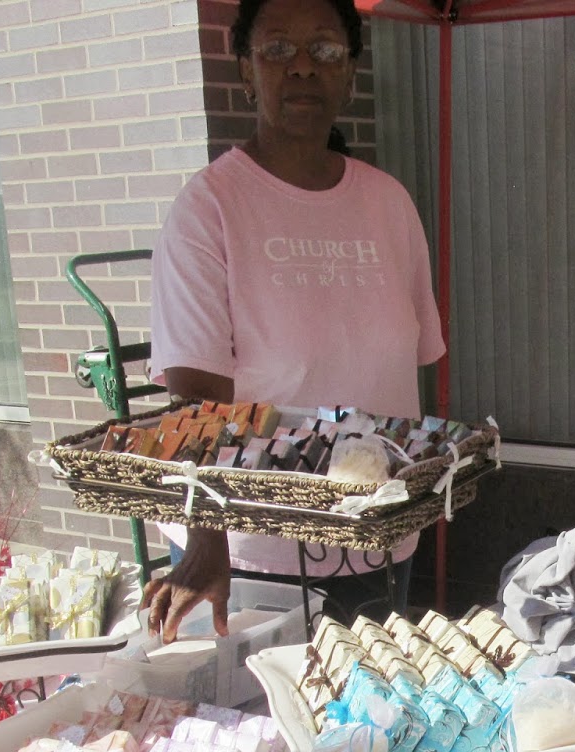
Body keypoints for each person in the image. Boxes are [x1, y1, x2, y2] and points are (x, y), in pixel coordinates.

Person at [141, 0, 445, 642]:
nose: (303, 68)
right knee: (267, 740)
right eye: (278, 50)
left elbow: (407, 371)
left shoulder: (389, 202)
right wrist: (207, 544)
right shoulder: (210, 207)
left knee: (372, 736)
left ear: (351, 70)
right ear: (247, 70)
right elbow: (194, 396)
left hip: (379, 543)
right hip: (256, 558)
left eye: (325, 50)